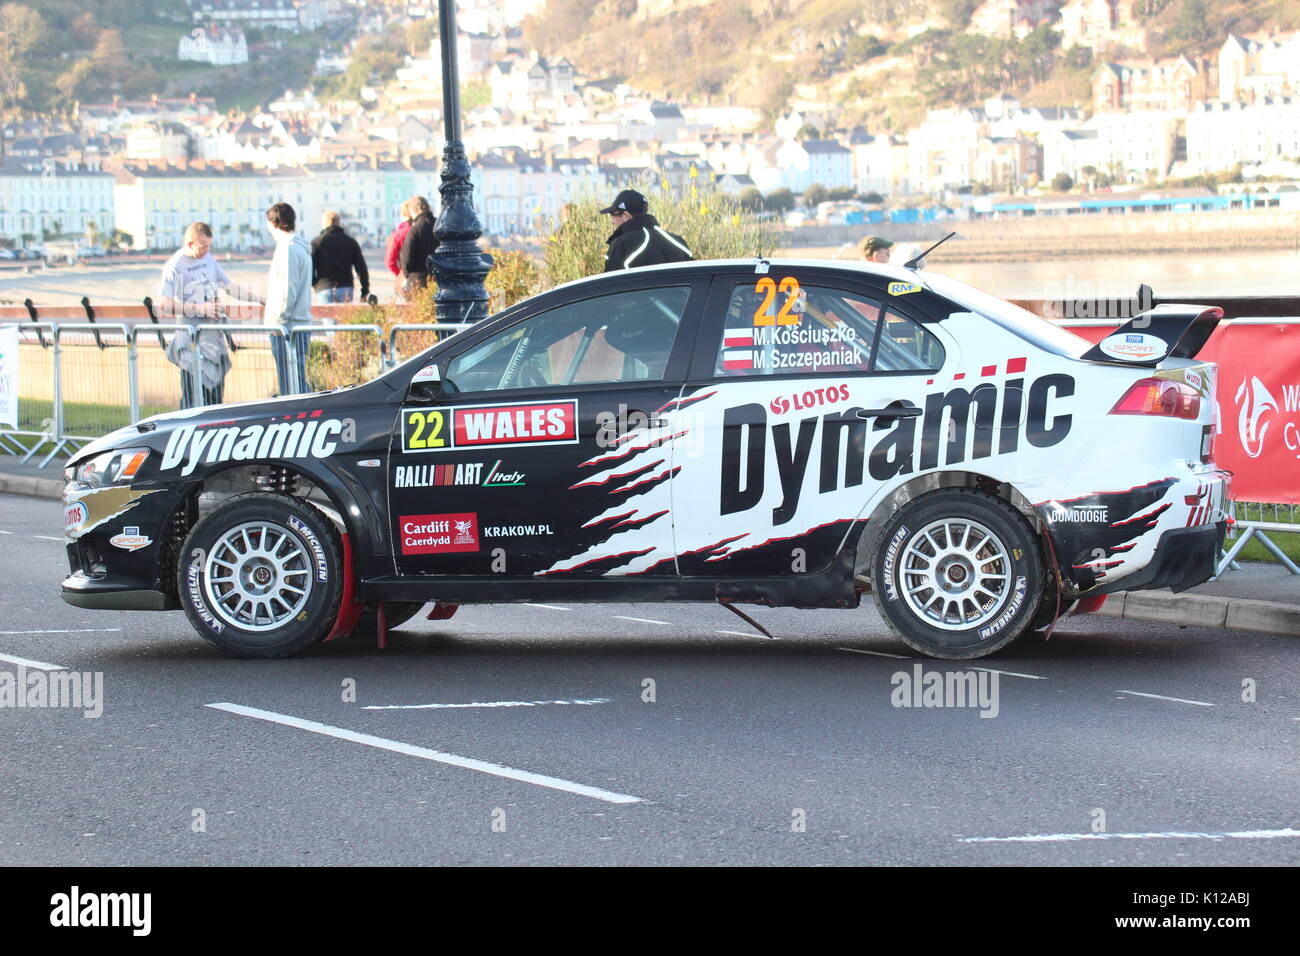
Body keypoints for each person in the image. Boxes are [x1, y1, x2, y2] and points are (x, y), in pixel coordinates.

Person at [157, 221, 264, 408]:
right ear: (190, 244)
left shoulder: (209, 259)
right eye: (203, 246)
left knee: (216, 400)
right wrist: (199, 308)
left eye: (209, 246)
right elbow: (164, 305)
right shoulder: (175, 265)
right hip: (191, 344)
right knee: (193, 401)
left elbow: (229, 287)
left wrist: (261, 299)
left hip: (214, 341)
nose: (207, 250)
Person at [264, 202, 314, 394]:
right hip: (298, 323)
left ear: (275, 223)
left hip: (287, 326)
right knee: (297, 378)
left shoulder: (288, 248)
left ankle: (303, 419)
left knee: (291, 383)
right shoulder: (300, 247)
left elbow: (287, 289)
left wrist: (279, 321)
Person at [601, 189, 694, 272]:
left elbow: (610, 286)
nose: (612, 221)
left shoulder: (621, 245)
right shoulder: (678, 241)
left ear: (626, 215)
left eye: (613, 215)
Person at [311, 210, 369, 304]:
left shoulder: (317, 242)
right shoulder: (350, 242)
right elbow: (361, 267)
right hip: (345, 286)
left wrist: (315, 284)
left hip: (324, 286)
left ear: (323, 223)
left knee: (328, 318)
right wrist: (365, 290)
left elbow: (310, 266)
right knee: (344, 318)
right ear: (339, 223)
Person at [398, 195, 437, 296]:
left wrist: (409, 275)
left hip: (418, 281)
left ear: (413, 210)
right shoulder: (439, 225)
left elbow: (406, 259)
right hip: (439, 281)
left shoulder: (415, 229)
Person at [384, 199, 414, 299]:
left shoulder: (398, 234)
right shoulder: (422, 229)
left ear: (402, 214)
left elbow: (390, 261)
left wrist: (400, 274)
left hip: (404, 278)